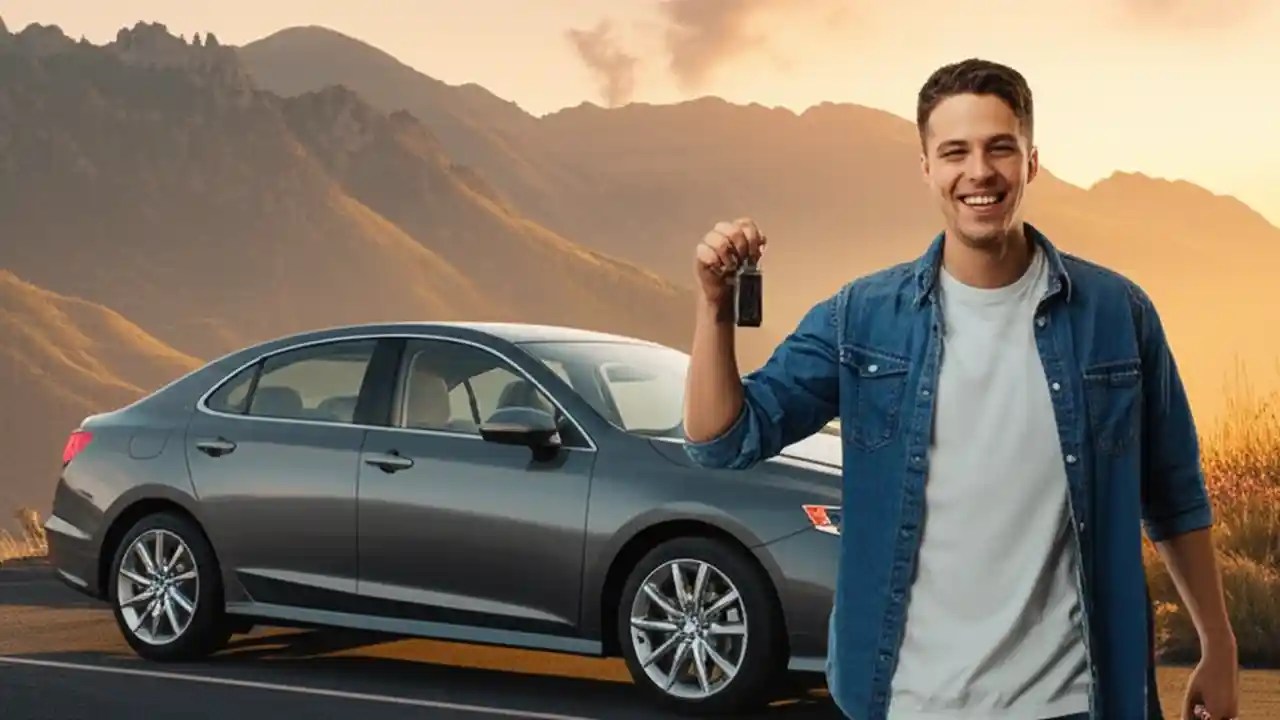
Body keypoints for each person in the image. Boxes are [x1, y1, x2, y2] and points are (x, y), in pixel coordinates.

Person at [682, 58, 1240, 720]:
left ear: (1031, 162)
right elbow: (723, 442)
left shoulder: (1118, 315)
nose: (980, 171)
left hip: (1075, 702)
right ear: (927, 169)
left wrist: (1220, 645)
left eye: (1000, 148)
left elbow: (1173, 493)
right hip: (911, 701)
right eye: (955, 152)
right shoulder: (861, 319)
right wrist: (714, 309)